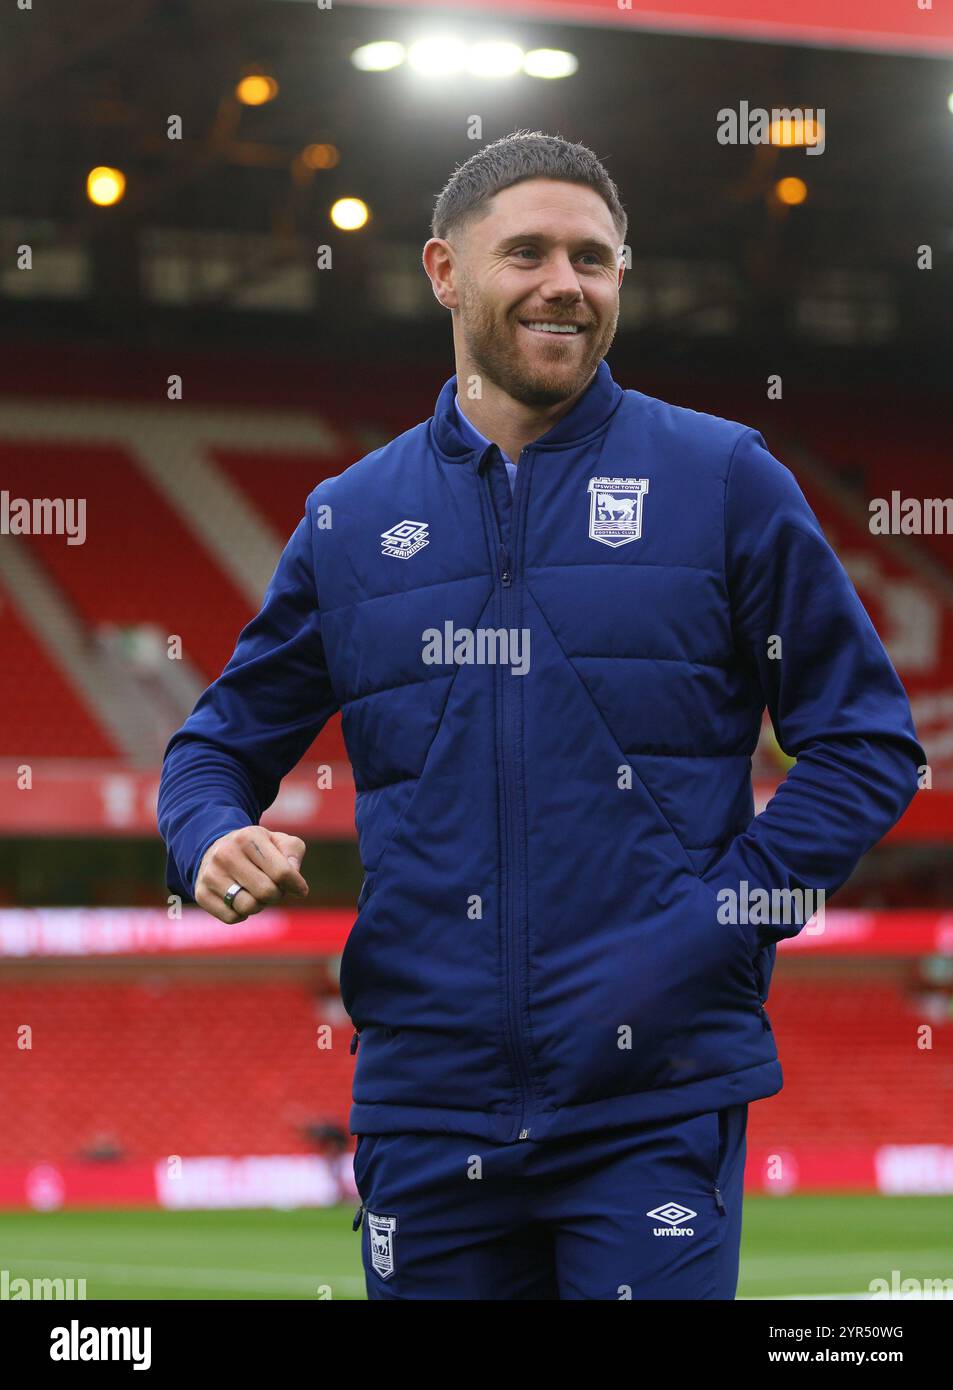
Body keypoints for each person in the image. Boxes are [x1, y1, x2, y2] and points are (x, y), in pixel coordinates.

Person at [157, 130, 924, 1300]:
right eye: (526, 252)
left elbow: (865, 745)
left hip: (652, 1096)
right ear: (442, 271)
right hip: (424, 1101)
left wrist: (710, 926)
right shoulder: (349, 519)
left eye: (594, 258)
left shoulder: (722, 479)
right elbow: (217, 743)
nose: (565, 282)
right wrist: (205, 830)